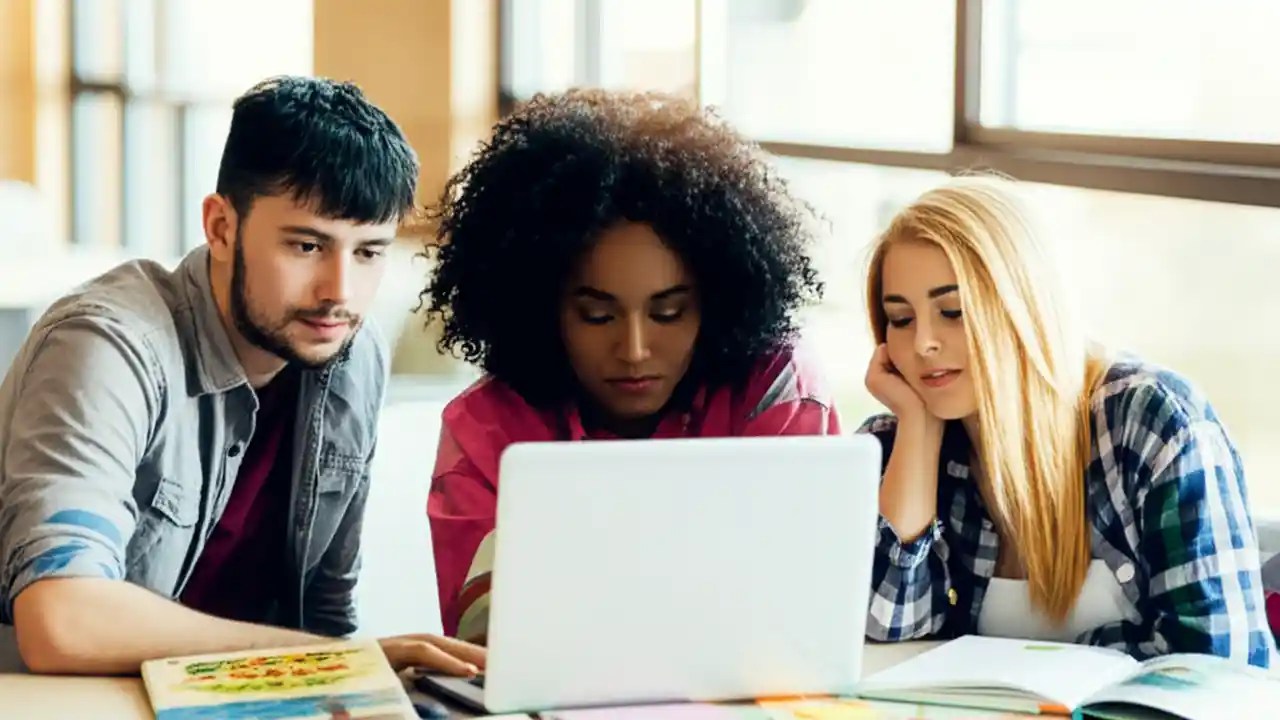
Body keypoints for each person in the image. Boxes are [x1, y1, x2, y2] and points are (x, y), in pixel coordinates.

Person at [0, 76, 483, 677]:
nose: (340, 292)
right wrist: (334, 659)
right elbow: (63, 621)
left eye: (368, 252)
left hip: (244, 695)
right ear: (221, 227)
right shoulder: (108, 346)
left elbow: (325, 619)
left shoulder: (353, 356)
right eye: (307, 246)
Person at [421, 88, 840, 642]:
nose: (635, 348)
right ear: (540, 308)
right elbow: (484, 641)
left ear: (718, 301)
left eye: (668, 313)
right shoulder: (485, 432)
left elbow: (802, 601)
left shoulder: (775, 391)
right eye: (597, 316)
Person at [857, 175, 1274, 667]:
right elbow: (883, 633)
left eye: (954, 311)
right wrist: (918, 427)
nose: (923, 342)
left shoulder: (1151, 422)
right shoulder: (892, 446)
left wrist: (1034, 668)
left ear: (1023, 306)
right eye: (901, 319)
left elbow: (1221, 665)